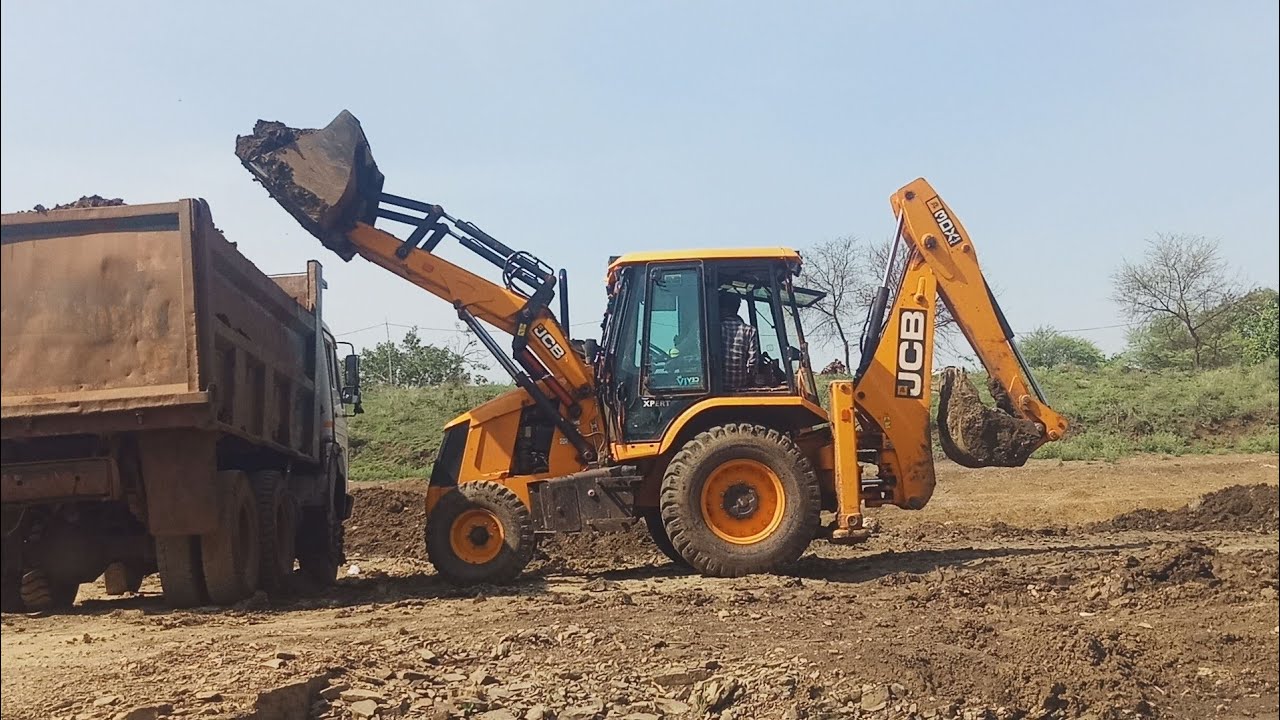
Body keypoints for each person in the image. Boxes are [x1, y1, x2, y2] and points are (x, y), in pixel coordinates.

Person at [719, 293, 758, 389]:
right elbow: (753, 361)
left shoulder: (717, 328)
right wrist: (749, 377)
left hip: (720, 385)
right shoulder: (750, 330)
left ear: (722, 308)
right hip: (741, 383)